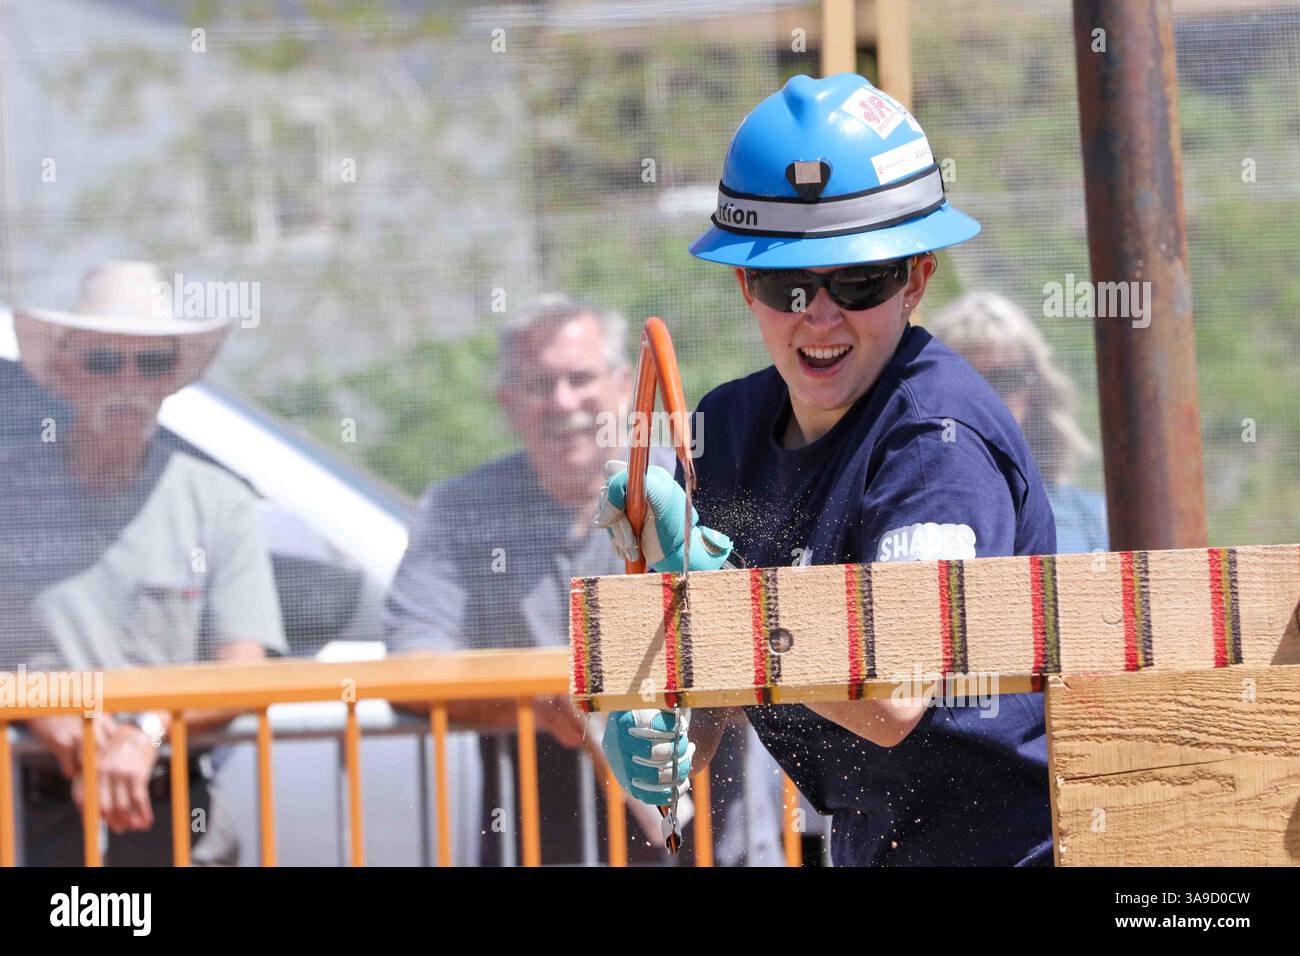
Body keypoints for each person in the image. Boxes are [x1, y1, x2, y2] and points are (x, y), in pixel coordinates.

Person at [594, 74, 1057, 866]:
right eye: (789, 284)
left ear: (916, 278)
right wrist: (667, 725)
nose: (820, 313)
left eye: (859, 280)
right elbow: (729, 677)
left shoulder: (936, 443)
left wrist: (715, 595)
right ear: (745, 285)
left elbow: (893, 697)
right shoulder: (727, 431)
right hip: (871, 845)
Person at [384, 294, 783, 866]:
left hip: (720, 848)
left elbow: (774, 647)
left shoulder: (700, 483)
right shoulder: (458, 511)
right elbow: (409, 668)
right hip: (546, 849)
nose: (563, 401)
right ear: (506, 402)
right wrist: (532, 700)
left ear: (624, 385)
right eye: (539, 384)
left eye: (580, 378)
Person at [3, 260, 287, 865]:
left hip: (175, 809)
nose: (127, 380)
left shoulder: (220, 502)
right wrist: (38, 707)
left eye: (151, 361)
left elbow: (244, 667)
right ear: (62, 373)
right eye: (104, 360)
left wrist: (148, 731)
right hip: (23, 812)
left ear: (171, 378)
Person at [925, 292, 1108, 554]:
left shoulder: (1098, 521)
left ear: (1035, 390)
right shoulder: (913, 513)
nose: (986, 403)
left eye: (1005, 380)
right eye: (966, 381)